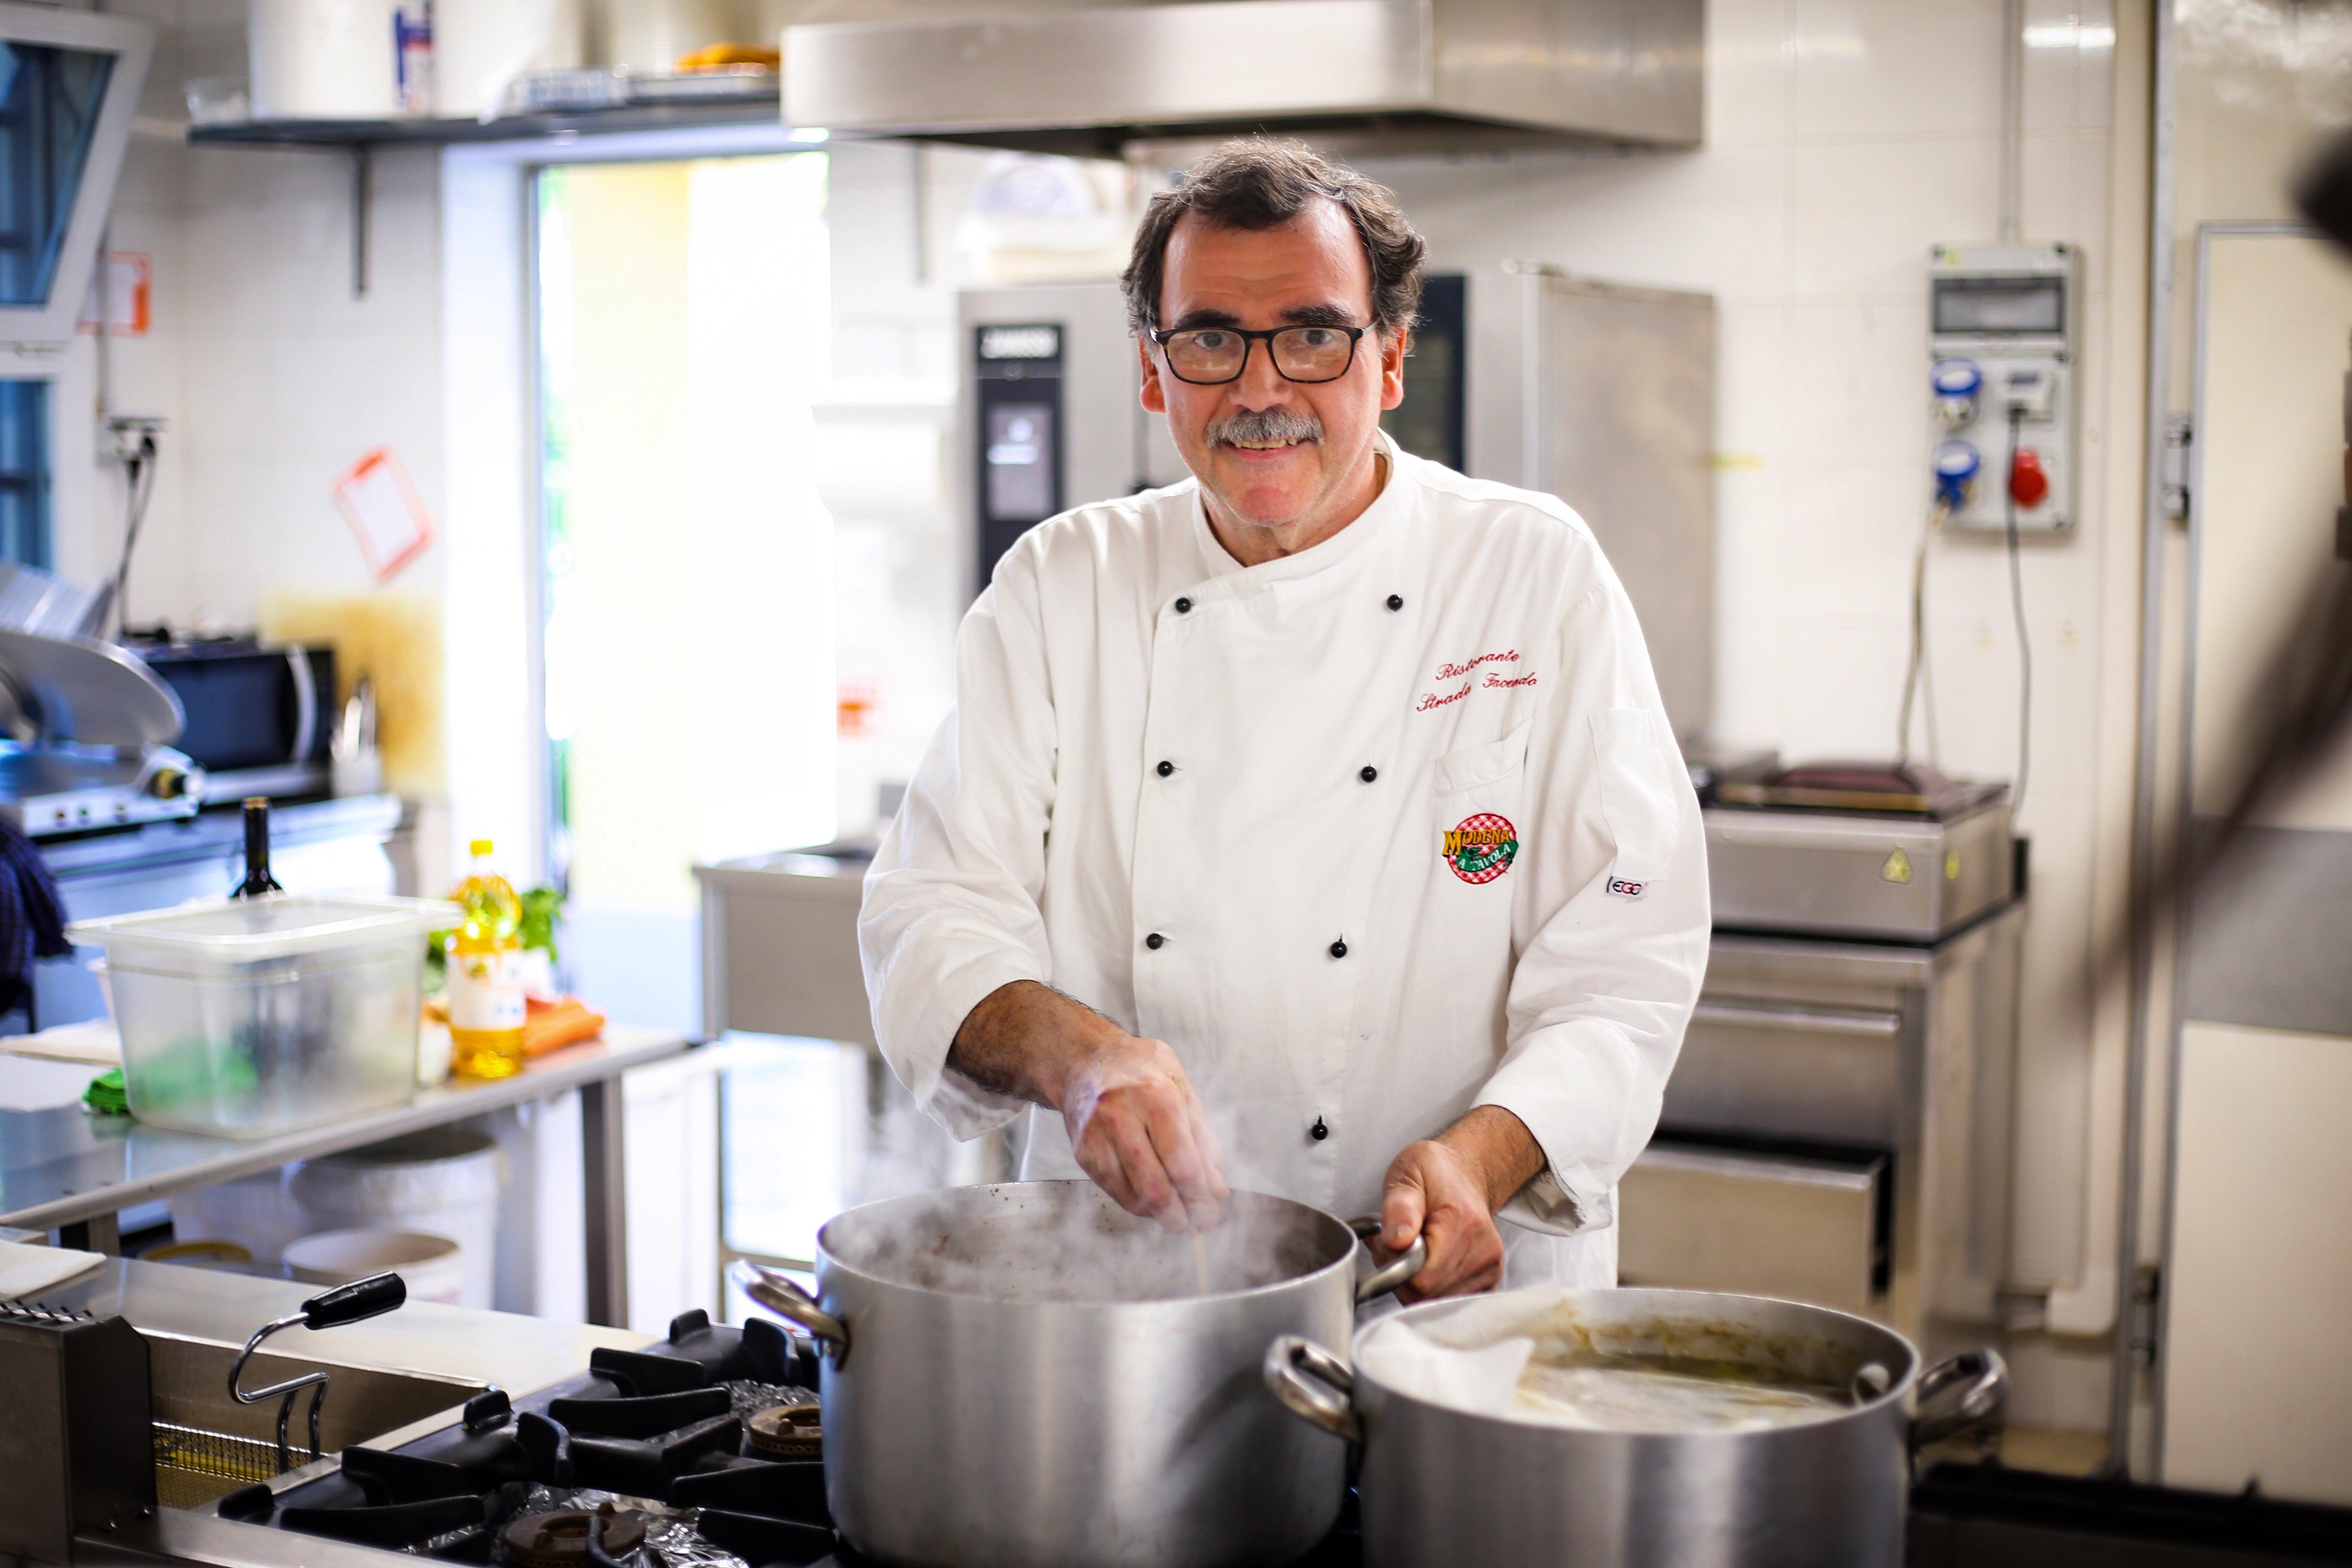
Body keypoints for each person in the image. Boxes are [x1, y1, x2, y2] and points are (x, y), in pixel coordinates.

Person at [859, 138, 1709, 1298]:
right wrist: (1082, 1060)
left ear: (1392, 358)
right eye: (1211, 339)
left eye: (1313, 334)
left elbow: (1626, 961)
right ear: (1156, 373)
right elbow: (931, 913)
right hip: (1132, 1294)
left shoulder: (1529, 573)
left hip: (1450, 1289)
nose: (1261, 391)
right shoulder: (1062, 587)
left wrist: (1479, 1158)